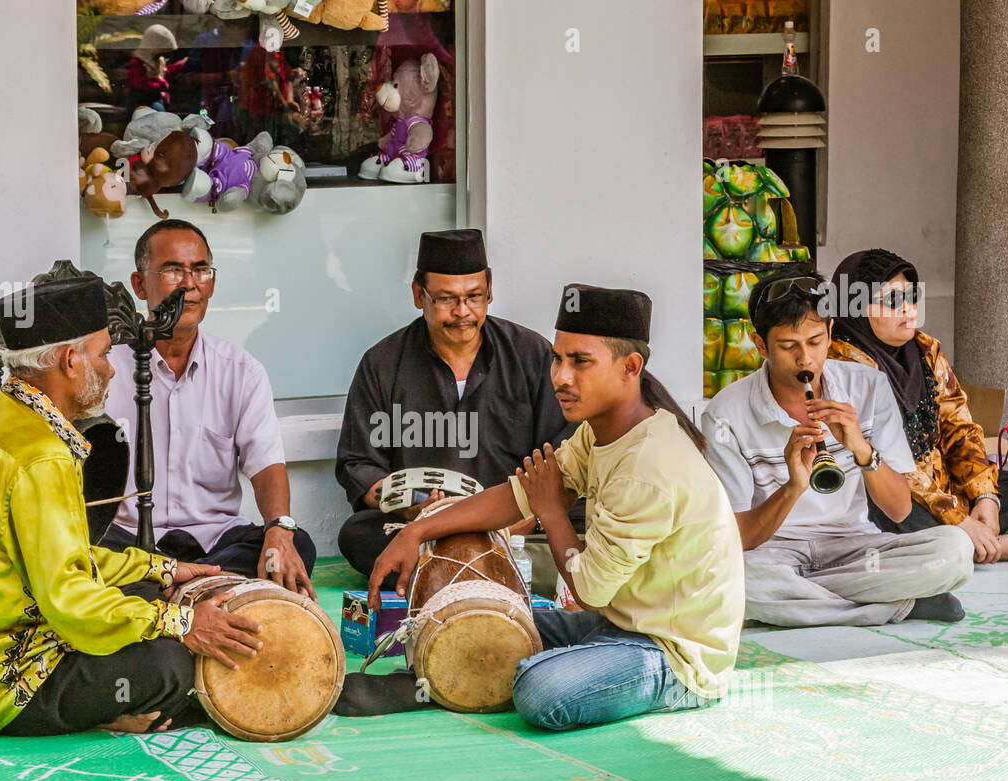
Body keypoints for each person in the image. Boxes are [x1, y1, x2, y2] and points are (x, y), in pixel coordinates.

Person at [360, 285, 744, 730]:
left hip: (673, 654)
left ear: (630, 367)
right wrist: (416, 531)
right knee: (471, 624)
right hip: (618, 624)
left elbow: (588, 592)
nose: (561, 377)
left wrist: (551, 511)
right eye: (557, 359)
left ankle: (541, 674)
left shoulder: (649, 464)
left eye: (580, 362)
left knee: (538, 688)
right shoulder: (599, 431)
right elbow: (515, 496)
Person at [0, 276, 265, 737]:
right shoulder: (43, 457)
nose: (112, 370)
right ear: (70, 360)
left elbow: (63, 560)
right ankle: (112, 711)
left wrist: (159, 569)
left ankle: (117, 702)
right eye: (103, 354)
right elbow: (69, 600)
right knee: (171, 662)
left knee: (145, 594)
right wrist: (183, 622)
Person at [700, 268, 974, 629]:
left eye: (815, 341)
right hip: (773, 554)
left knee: (956, 551)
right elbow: (739, 537)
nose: (805, 360)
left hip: (855, 547)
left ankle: (803, 600)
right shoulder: (724, 414)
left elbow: (899, 509)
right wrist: (793, 487)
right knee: (727, 579)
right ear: (761, 345)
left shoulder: (869, 387)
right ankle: (894, 606)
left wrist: (862, 449)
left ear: (830, 333)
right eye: (788, 347)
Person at [335, 228, 576, 582]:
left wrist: (531, 516)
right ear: (419, 295)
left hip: (512, 524)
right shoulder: (383, 363)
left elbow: (564, 452)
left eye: (474, 297)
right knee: (358, 534)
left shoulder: (531, 354)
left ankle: (443, 573)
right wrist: (407, 506)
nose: (463, 312)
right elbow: (358, 463)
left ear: (490, 290)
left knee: (580, 525)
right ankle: (479, 568)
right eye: (446, 299)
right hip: (423, 526)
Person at [101, 220, 317, 597]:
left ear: (212, 283)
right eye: (172, 270)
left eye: (200, 269)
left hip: (215, 543)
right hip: (129, 542)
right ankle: (207, 591)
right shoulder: (106, 367)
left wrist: (279, 530)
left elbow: (266, 465)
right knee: (89, 556)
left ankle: (174, 592)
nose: (190, 283)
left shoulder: (241, 371)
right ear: (139, 284)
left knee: (295, 546)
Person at [827, 248, 1008, 563]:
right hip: (895, 493)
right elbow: (886, 463)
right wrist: (959, 519)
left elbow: (960, 429)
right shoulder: (839, 367)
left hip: (938, 488)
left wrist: (985, 498)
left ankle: (967, 542)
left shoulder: (925, 351)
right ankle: (992, 547)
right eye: (891, 301)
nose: (908, 309)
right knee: (877, 503)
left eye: (912, 297)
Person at [126, 24, 188, 115]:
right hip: (142, 103)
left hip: (155, 99)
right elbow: (140, 83)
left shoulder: (157, 60)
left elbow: (163, 74)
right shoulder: (138, 62)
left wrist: (179, 65)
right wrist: (161, 84)